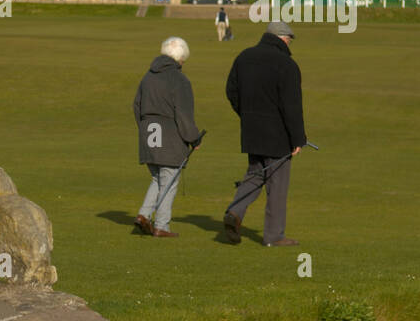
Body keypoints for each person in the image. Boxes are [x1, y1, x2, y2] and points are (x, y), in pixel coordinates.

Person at [223, 20, 307, 247]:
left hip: (251, 130)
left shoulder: (244, 57)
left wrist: (247, 114)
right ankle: (274, 236)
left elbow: (231, 91)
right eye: (289, 40)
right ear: (283, 38)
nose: (290, 44)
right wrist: (298, 138)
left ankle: (234, 212)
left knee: (255, 174)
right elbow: (292, 106)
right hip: (278, 135)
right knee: (277, 186)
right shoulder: (286, 64)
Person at [132, 37, 203, 238]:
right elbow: (184, 114)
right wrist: (194, 138)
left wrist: (145, 127)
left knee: (158, 177)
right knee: (169, 179)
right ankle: (161, 226)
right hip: (169, 137)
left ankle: (144, 215)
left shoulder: (147, 77)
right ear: (180, 58)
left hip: (149, 133)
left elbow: (136, 106)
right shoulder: (180, 80)